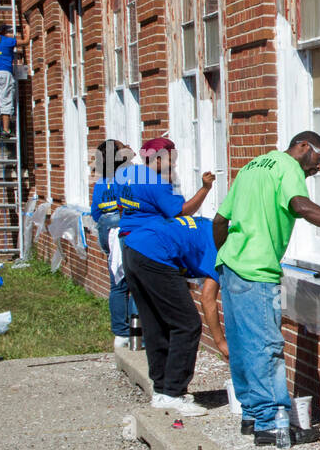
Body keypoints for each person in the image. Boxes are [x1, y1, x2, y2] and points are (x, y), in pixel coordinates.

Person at [212, 132, 320, 446]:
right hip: (256, 271)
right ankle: (273, 425)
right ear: (303, 147)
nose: (317, 170)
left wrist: (225, 255)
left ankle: (252, 414)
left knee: (243, 344)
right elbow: (300, 205)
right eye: (318, 161)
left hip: (231, 266)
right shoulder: (288, 166)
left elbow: (220, 220)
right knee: (265, 346)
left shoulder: (251, 167)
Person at [122, 214, 228, 416]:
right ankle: (174, 393)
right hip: (156, 254)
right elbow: (208, 299)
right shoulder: (223, 248)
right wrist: (220, 342)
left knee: (155, 322)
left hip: (133, 246)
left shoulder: (210, 227)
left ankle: (162, 390)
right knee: (187, 324)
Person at [112, 137, 214, 240]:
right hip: (148, 241)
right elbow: (181, 213)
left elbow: (120, 207)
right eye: (171, 160)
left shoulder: (127, 172)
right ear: (158, 160)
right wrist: (205, 188)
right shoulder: (156, 182)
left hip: (126, 237)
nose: (174, 164)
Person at [89, 140, 138, 347]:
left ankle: (120, 333)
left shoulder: (102, 181)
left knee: (117, 284)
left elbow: (94, 212)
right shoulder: (127, 176)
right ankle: (137, 331)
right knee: (136, 282)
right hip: (125, 228)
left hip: (106, 229)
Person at [0, 22, 30, 139]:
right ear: (4, 31)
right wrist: (27, 30)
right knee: (6, 100)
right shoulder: (7, 41)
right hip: (3, 73)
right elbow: (25, 42)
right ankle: (5, 130)